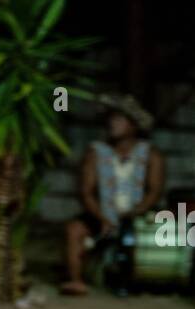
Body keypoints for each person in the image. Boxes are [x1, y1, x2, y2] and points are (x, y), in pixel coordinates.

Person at [61, 95, 164, 295]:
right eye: (111, 119)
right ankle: (75, 281)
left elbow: (155, 190)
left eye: (119, 120)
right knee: (74, 229)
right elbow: (86, 192)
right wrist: (103, 218)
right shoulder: (96, 152)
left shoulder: (151, 154)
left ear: (134, 126)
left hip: (137, 216)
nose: (112, 124)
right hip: (101, 215)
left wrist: (136, 213)